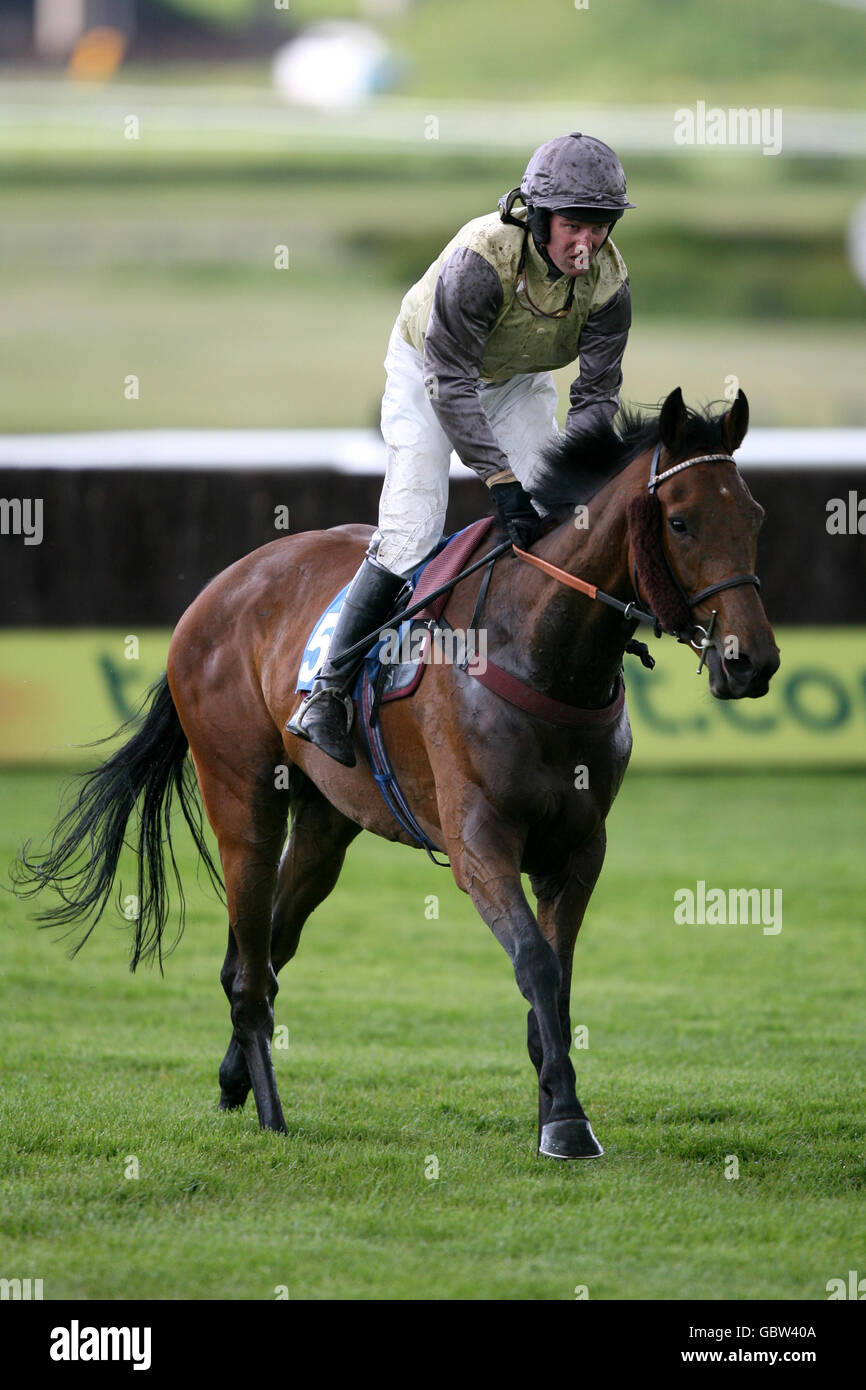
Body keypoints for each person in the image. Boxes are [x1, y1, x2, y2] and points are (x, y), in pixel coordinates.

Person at [288, 131, 635, 766]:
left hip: (517, 382)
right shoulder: (481, 260)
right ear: (535, 216)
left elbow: (595, 396)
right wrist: (500, 485)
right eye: (571, 226)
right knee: (412, 527)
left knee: (560, 518)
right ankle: (327, 693)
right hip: (431, 375)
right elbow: (450, 386)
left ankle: (532, 672)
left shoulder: (611, 283)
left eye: (600, 227)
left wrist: (577, 484)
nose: (585, 245)